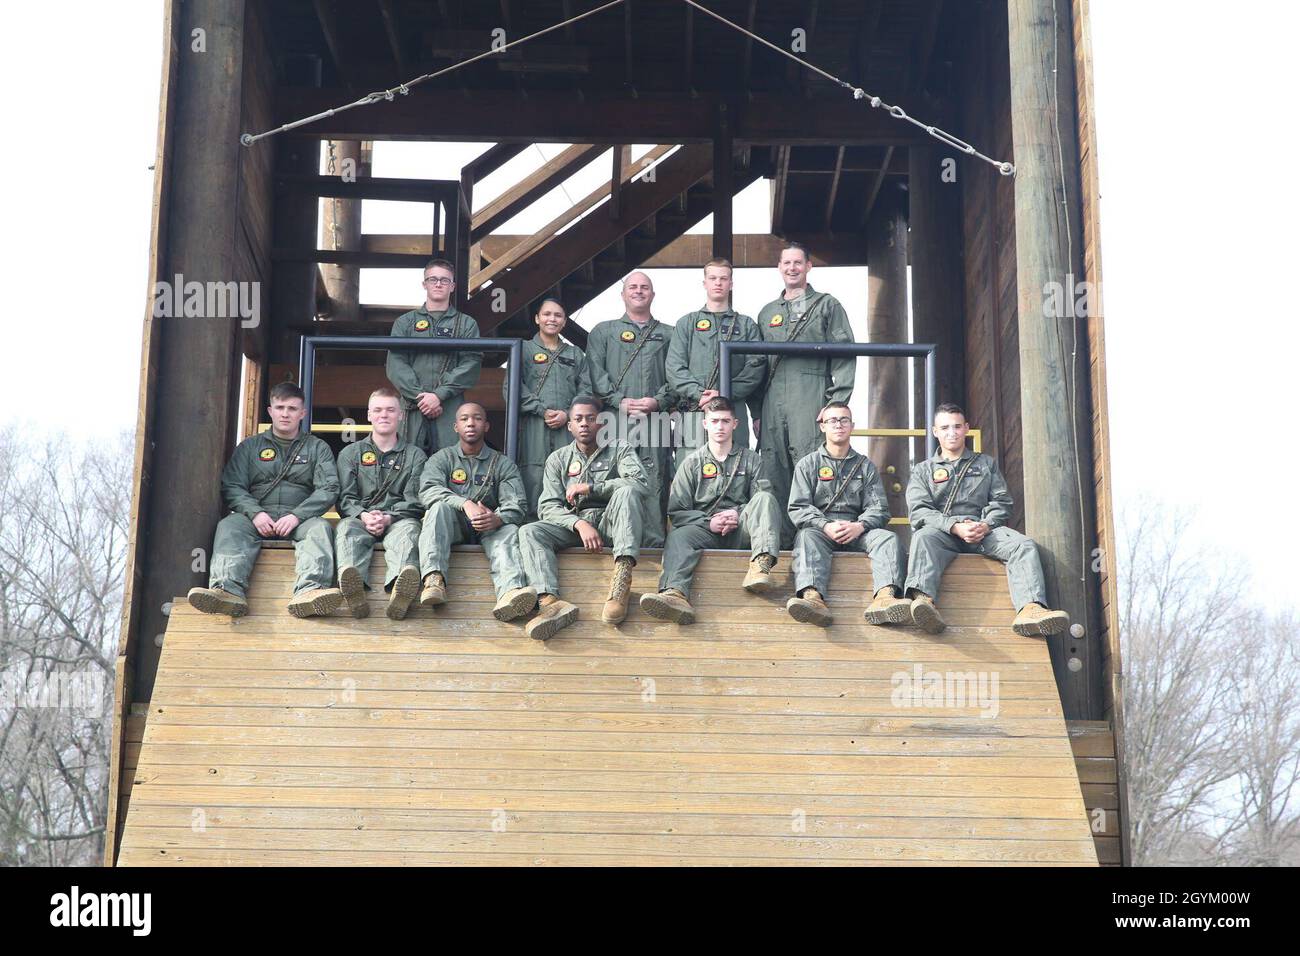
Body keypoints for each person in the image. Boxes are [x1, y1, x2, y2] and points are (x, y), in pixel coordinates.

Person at [904, 403, 1071, 637]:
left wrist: (986, 524)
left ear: (967, 429)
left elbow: (1002, 502)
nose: (951, 432)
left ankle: (1030, 609)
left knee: (1023, 545)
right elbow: (919, 511)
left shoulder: (985, 464)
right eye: (945, 428)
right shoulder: (922, 470)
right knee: (922, 537)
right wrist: (954, 526)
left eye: (957, 426)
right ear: (935, 432)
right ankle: (923, 601)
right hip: (943, 533)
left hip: (983, 531)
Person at [187, 382, 343, 619]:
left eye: (292, 408)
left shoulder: (317, 447)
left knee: (321, 528)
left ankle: (311, 591)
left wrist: (297, 515)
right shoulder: (250, 447)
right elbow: (232, 485)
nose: (285, 413)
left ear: (303, 413)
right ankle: (227, 591)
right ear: (270, 411)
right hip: (257, 515)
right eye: (280, 407)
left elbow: (329, 487)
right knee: (229, 526)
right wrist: (255, 513)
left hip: (299, 517)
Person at [639, 397, 780, 625]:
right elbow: (677, 511)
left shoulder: (752, 460)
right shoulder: (692, 463)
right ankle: (674, 593)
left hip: (742, 531)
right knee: (677, 535)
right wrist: (708, 522)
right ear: (705, 424)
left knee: (765, 498)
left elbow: (762, 501)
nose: (720, 426)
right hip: (705, 532)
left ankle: (761, 564)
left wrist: (737, 513)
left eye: (725, 421)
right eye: (714, 421)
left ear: (735, 424)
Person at [518, 396, 648, 640]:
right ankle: (549, 602)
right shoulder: (558, 458)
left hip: (614, 524)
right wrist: (578, 524)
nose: (584, 424)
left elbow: (640, 484)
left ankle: (621, 578)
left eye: (591, 419)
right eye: (578, 419)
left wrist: (592, 487)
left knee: (627, 491)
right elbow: (547, 506)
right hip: (576, 526)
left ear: (602, 424)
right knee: (529, 531)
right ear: (570, 426)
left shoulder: (620, 449)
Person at [755, 243, 856, 547]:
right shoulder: (767, 312)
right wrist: (757, 413)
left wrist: (835, 403)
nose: (792, 268)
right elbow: (759, 368)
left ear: (809, 267)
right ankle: (780, 545)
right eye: (786, 263)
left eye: (798, 262)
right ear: (779, 267)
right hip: (773, 401)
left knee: (811, 467)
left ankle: (814, 541)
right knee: (774, 469)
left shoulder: (827, 305)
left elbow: (846, 354)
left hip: (811, 397)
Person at [784, 402, 909, 627]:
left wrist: (859, 526)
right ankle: (813, 598)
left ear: (852, 426)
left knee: (888, 538)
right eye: (832, 420)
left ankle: (885, 597)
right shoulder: (808, 464)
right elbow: (798, 507)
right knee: (805, 537)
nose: (838, 425)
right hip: (821, 531)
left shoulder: (865, 466)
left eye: (844, 420)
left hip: (858, 530)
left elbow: (879, 509)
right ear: (822, 426)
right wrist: (825, 525)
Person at [417, 402, 537, 622]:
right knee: (437, 509)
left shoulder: (502, 463)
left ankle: (510, 592)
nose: (470, 423)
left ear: (487, 426)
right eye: (464, 419)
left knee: (509, 529)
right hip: (453, 527)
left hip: (489, 528)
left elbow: (517, 505)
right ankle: (434, 579)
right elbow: (428, 491)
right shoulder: (442, 458)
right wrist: (464, 503)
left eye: (477, 418)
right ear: (455, 427)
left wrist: (498, 518)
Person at [585, 271, 673, 548]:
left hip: (655, 419)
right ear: (622, 294)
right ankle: (615, 538)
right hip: (614, 418)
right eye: (632, 287)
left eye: (644, 287)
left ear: (653, 294)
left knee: (655, 475)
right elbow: (594, 372)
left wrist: (658, 400)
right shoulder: (603, 331)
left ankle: (653, 542)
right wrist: (617, 399)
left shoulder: (669, 333)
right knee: (613, 475)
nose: (638, 291)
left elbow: (676, 374)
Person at [333, 386, 427, 621]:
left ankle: (401, 588)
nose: (384, 415)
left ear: (401, 415)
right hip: (360, 520)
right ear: (368, 415)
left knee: (410, 531)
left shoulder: (416, 456)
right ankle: (351, 585)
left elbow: (415, 501)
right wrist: (364, 516)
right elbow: (345, 498)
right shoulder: (350, 453)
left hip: (398, 521)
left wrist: (389, 517)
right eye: (378, 410)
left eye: (390, 410)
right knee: (345, 529)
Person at [665, 258, 766, 470]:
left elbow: (755, 368)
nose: (718, 283)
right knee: (689, 470)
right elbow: (674, 368)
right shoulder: (687, 323)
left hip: (733, 409)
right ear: (704, 283)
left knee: (736, 471)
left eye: (723, 278)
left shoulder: (746, 325)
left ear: (731, 283)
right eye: (712, 278)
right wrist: (698, 394)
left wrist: (725, 393)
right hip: (694, 411)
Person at [508, 297, 603, 518]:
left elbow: (586, 390)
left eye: (558, 315)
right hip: (533, 425)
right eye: (547, 314)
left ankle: (568, 526)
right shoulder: (522, 350)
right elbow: (512, 388)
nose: (552, 319)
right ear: (537, 318)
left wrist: (568, 414)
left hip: (567, 427)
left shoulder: (575, 354)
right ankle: (531, 527)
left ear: (564, 322)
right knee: (532, 474)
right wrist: (541, 410)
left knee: (570, 472)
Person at [386, 258, 482, 454]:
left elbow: (471, 364)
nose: (438, 284)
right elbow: (396, 366)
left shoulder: (466, 324)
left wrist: (438, 396)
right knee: (408, 461)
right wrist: (422, 399)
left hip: (450, 406)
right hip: (412, 406)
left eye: (444, 280)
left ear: (453, 286)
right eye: (433, 279)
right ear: (424, 284)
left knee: (451, 462)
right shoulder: (405, 322)